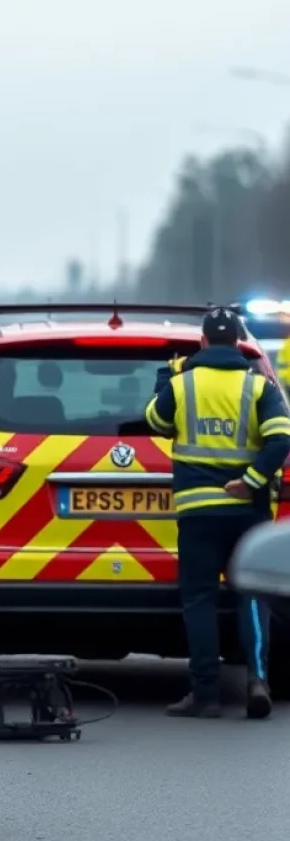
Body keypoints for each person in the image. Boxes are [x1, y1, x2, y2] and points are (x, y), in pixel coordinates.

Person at [145, 307, 290, 719]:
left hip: (199, 513)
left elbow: (156, 420)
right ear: (238, 343)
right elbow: (281, 441)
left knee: (200, 600)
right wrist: (252, 480)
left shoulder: (184, 383)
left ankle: (205, 693)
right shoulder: (259, 386)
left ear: (204, 341)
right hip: (248, 511)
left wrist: (166, 377)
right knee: (251, 595)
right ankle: (257, 680)